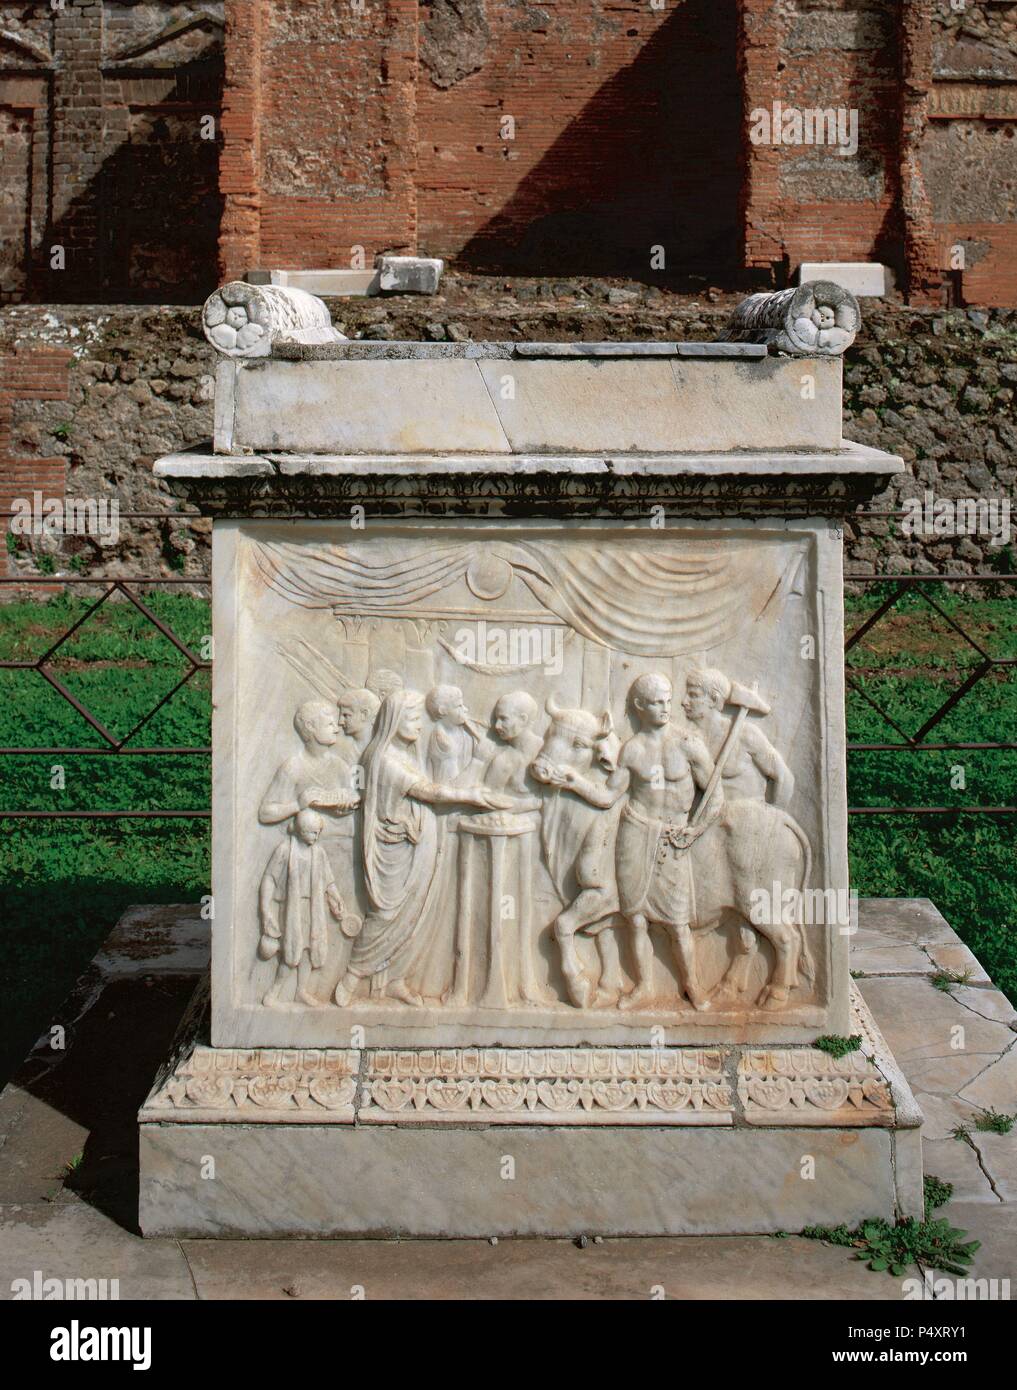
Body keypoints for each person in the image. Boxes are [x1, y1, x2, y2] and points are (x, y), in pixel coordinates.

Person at [333, 689, 513, 1007]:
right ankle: (353, 974)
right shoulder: (384, 759)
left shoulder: (404, 754)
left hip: (417, 846)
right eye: (412, 718)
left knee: (417, 915)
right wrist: (473, 796)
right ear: (393, 720)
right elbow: (428, 791)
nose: (419, 725)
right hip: (394, 851)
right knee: (387, 914)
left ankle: (393, 980)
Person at [612, 673, 715, 1011]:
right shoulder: (632, 749)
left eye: (667, 700)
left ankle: (692, 984)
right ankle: (643, 986)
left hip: (673, 837)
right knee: (636, 918)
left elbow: (714, 797)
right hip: (636, 834)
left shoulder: (687, 743)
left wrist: (695, 830)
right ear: (640, 706)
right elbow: (608, 794)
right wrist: (569, 780)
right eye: (656, 702)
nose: (664, 708)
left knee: (677, 922)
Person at [258, 810, 357, 1007]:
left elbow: (328, 881)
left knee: (309, 950)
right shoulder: (285, 850)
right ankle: (273, 993)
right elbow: (269, 878)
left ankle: (300, 991)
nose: (315, 836)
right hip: (292, 909)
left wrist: (336, 897)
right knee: (290, 952)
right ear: (300, 831)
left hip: (314, 908)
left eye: (317, 832)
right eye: (311, 832)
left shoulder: (318, 852)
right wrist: (265, 910)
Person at [682, 667, 793, 806]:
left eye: (693, 695)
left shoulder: (745, 733)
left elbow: (784, 778)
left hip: (751, 819)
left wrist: (773, 818)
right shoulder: (691, 741)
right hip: (712, 821)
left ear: (713, 699)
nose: (684, 701)